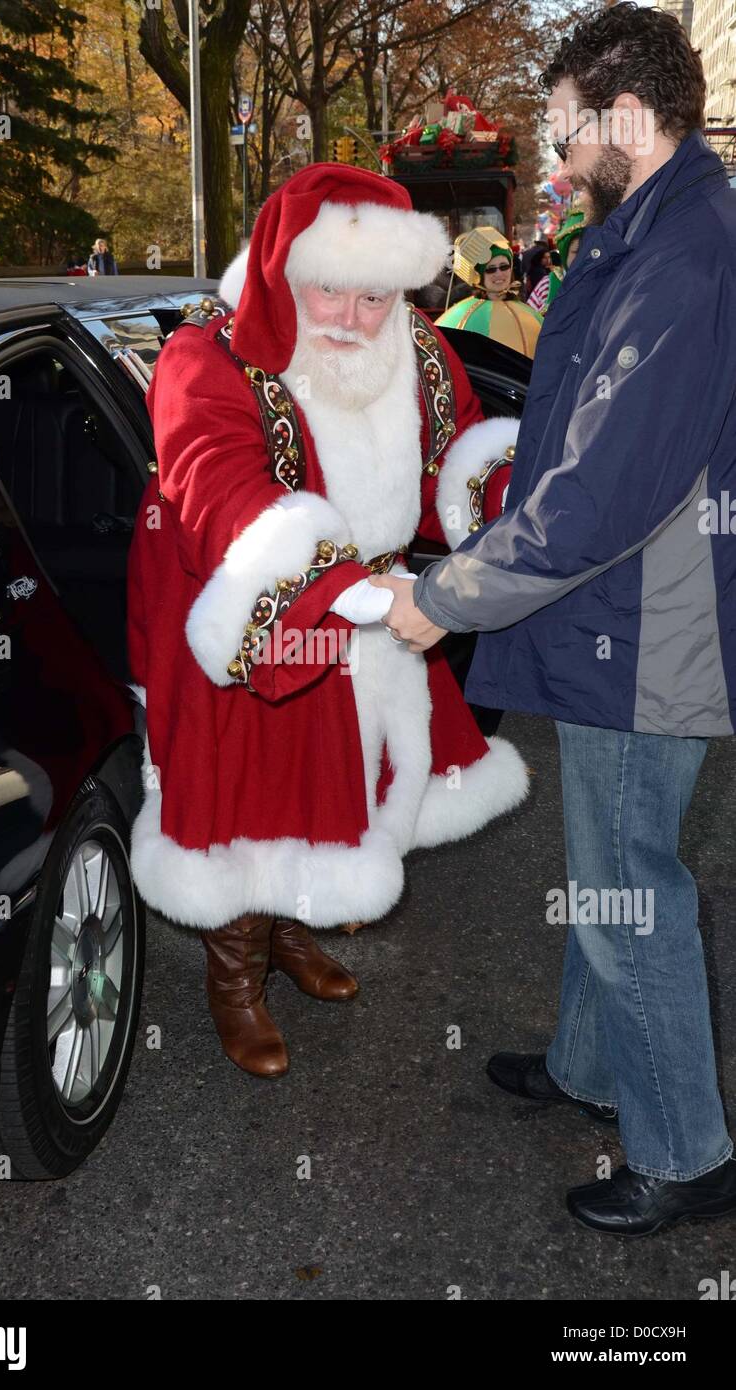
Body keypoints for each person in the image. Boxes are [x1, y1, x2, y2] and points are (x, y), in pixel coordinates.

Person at [372, 1, 736, 1236]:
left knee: (629, 878)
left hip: (647, 625)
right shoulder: (650, 226)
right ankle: (591, 1067)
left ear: (628, 118)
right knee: (605, 870)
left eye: (569, 125)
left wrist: (444, 598)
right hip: (621, 612)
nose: (554, 149)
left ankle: (684, 1147)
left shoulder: (683, 253)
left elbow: (598, 487)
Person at [127, 163, 529, 1079]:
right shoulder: (207, 357)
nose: (352, 317)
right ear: (281, 276)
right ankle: (234, 972)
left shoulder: (417, 349)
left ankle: (293, 931)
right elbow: (217, 487)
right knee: (245, 798)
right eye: (330, 292)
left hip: (371, 614)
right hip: (253, 619)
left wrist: (514, 502)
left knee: (338, 782)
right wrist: (348, 591)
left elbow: (456, 457)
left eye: (375, 296)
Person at [436, 229, 543, 358]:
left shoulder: (529, 314)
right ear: (479, 275)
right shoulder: (461, 316)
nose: (499, 274)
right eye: (491, 269)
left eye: (504, 266)